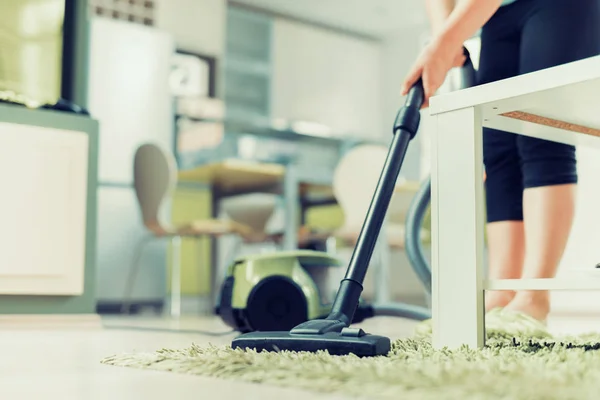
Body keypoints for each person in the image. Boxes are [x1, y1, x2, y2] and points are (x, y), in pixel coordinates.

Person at [402, 0, 600, 322]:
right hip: (497, 13)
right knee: (496, 145)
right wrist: (445, 34)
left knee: (541, 131)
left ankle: (534, 297)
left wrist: (444, 43)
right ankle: (501, 292)